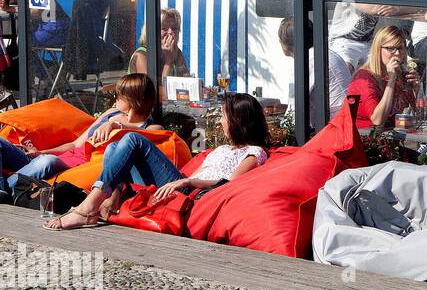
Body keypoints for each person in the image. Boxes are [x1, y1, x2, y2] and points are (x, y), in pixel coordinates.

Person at [46, 91, 270, 230]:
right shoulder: (222, 148)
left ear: (238, 120)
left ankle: (89, 207)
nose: (220, 121)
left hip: (190, 192)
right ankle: (108, 199)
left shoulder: (254, 152)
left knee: (133, 140)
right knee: (116, 146)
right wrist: (185, 179)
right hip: (184, 184)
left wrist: (187, 182)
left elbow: (228, 184)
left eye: (223, 116)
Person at [0, 73, 161, 202]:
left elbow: (152, 135)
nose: (115, 97)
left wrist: (115, 125)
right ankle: (3, 188)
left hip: (70, 169)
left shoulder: (149, 127)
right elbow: (75, 144)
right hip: (51, 160)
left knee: (47, 161)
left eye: (120, 95)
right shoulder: (111, 113)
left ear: (134, 100)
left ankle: (6, 188)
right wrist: (40, 151)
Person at [328, 0, 406, 72]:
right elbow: (373, 8)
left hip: (368, 43)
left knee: (388, 67)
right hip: (345, 41)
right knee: (345, 70)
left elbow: (402, 9)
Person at [346, 26, 421, 130]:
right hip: (367, 142)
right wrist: (391, 81)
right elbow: (377, 120)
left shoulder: (401, 75)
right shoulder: (364, 78)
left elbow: (417, 117)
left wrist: (417, 91)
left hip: (393, 140)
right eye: (391, 48)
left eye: (400, 48)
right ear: (378, 49)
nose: (397, 53)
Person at [278, 17, 348, 127]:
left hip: (331, 129)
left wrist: (280, 130)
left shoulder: (306, 61)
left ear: (286, 43)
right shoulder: (325, 53)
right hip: (341, 123)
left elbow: (295, 111)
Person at [130, 7, 189, 81]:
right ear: (151, 30)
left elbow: (186, 80)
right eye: (164, 28)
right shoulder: (142, 55)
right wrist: (169, 61)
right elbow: (152, 89)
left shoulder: (177, 52)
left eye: (174, 28)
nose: (170, 32)